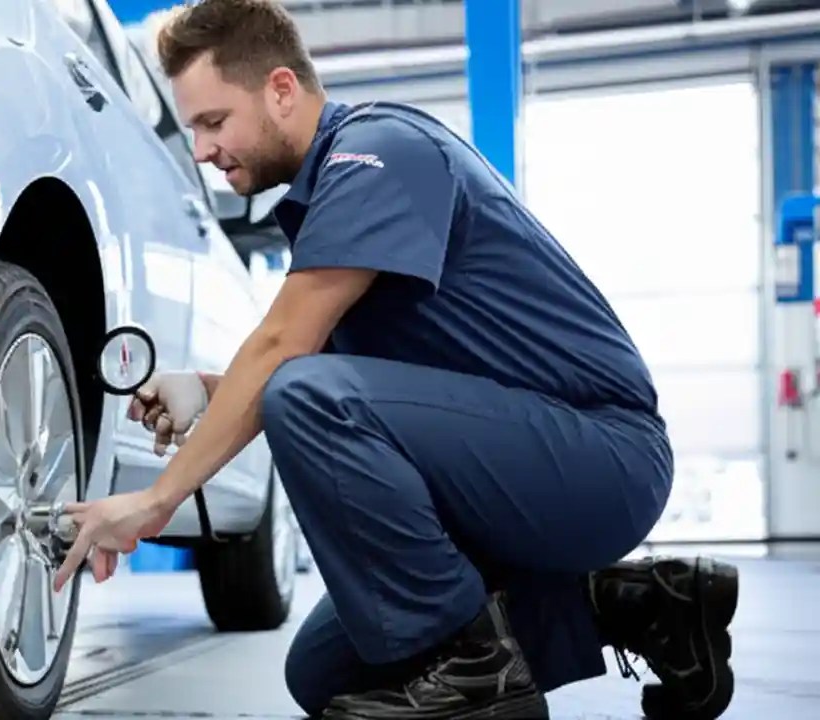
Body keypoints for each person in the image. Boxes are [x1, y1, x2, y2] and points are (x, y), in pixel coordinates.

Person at [52, 1, 738, 717]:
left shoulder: (378, 151)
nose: (199, 151)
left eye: (212, 122)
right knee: (327, 672)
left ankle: (476, 671)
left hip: (602, 459)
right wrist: (207, 391)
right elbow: (377, 390)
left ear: (281, 89)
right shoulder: (330, 198)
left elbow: (290, 353)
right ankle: (638, 606)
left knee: (308, 398)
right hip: (519, 458)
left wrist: (154, 503)